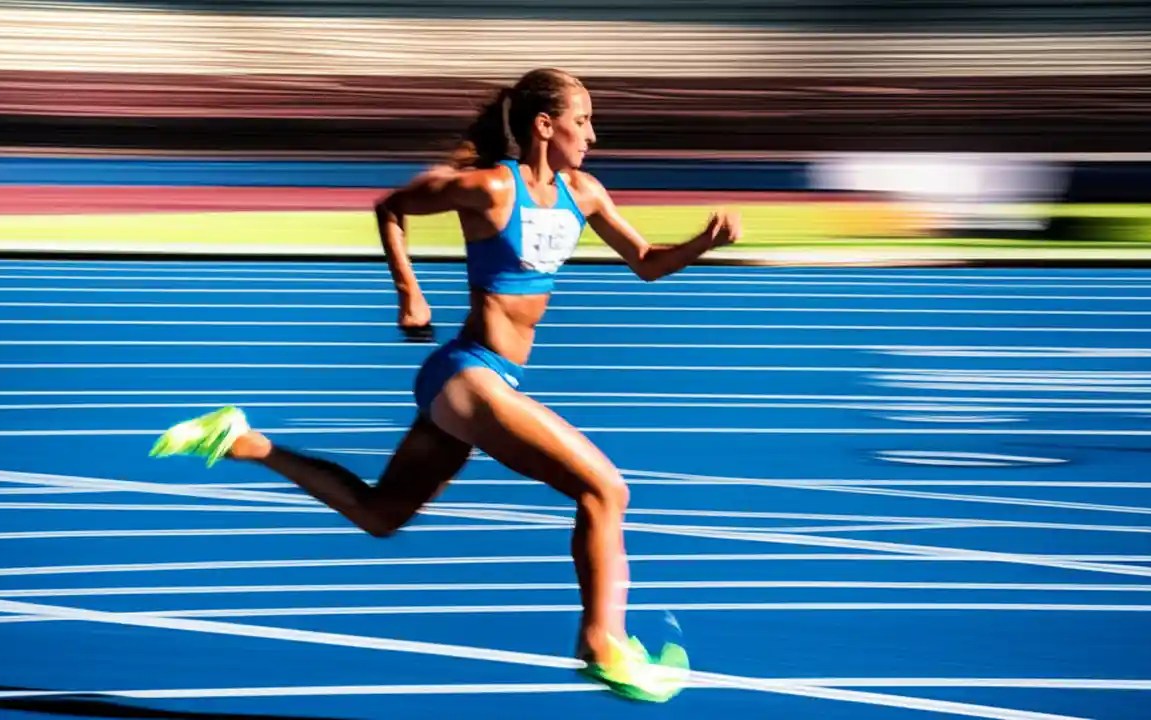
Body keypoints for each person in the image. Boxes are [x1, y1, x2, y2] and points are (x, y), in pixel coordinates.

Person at [150, 67, 741, 702]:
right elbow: (393, 207)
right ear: (546, 127)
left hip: (484, 380)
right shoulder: (489, 189)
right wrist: (410, 293)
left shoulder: (587, 194)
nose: (593, 135)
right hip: (470, 375)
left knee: (381, 514)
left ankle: (243, 440)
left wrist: (702, 243)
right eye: (584, 121)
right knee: (605, 489)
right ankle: (602, 643)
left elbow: (647, 263)